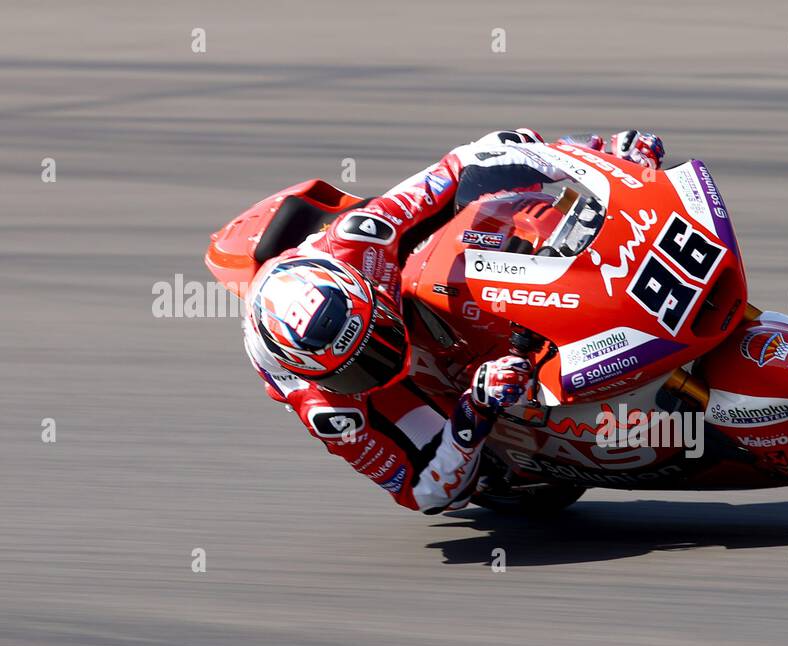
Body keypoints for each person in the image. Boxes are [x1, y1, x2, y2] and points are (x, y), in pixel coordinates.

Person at [241, 128, 666, 513]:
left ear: (365, 289)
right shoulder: (330, 410)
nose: (382, 359)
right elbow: (423, 492)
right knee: (464, 475)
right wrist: (472, 411)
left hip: (392, 276)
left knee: (507, 157)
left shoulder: (361, 238)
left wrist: (600, 156)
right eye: (357, 369)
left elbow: (465, 161)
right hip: (403, 397)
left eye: (378, 339)